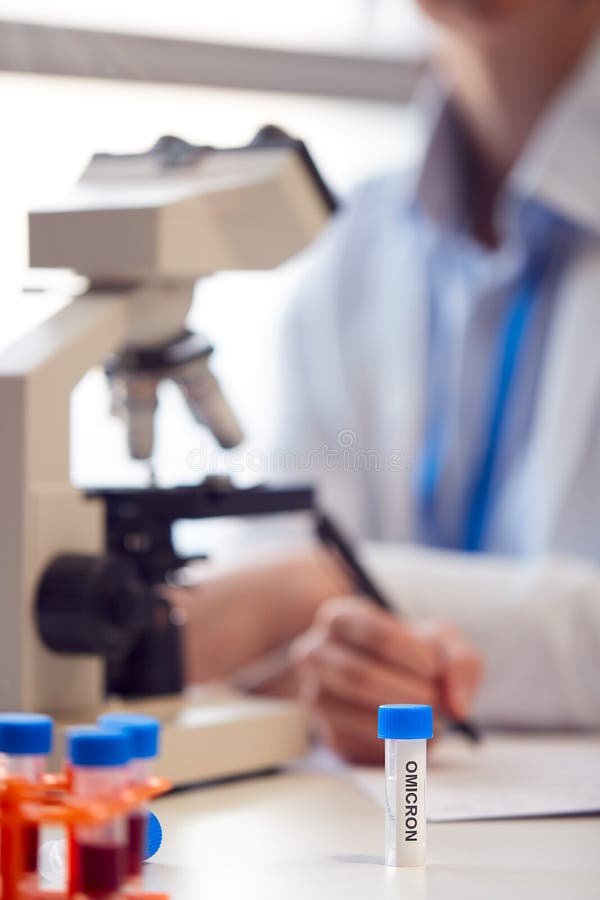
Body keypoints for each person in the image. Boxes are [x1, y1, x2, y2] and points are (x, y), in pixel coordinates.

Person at [171, 0, 600, 762]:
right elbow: (277, 626)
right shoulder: (353, 245)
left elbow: (291, 588)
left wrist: (324, 590)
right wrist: (337, 665)